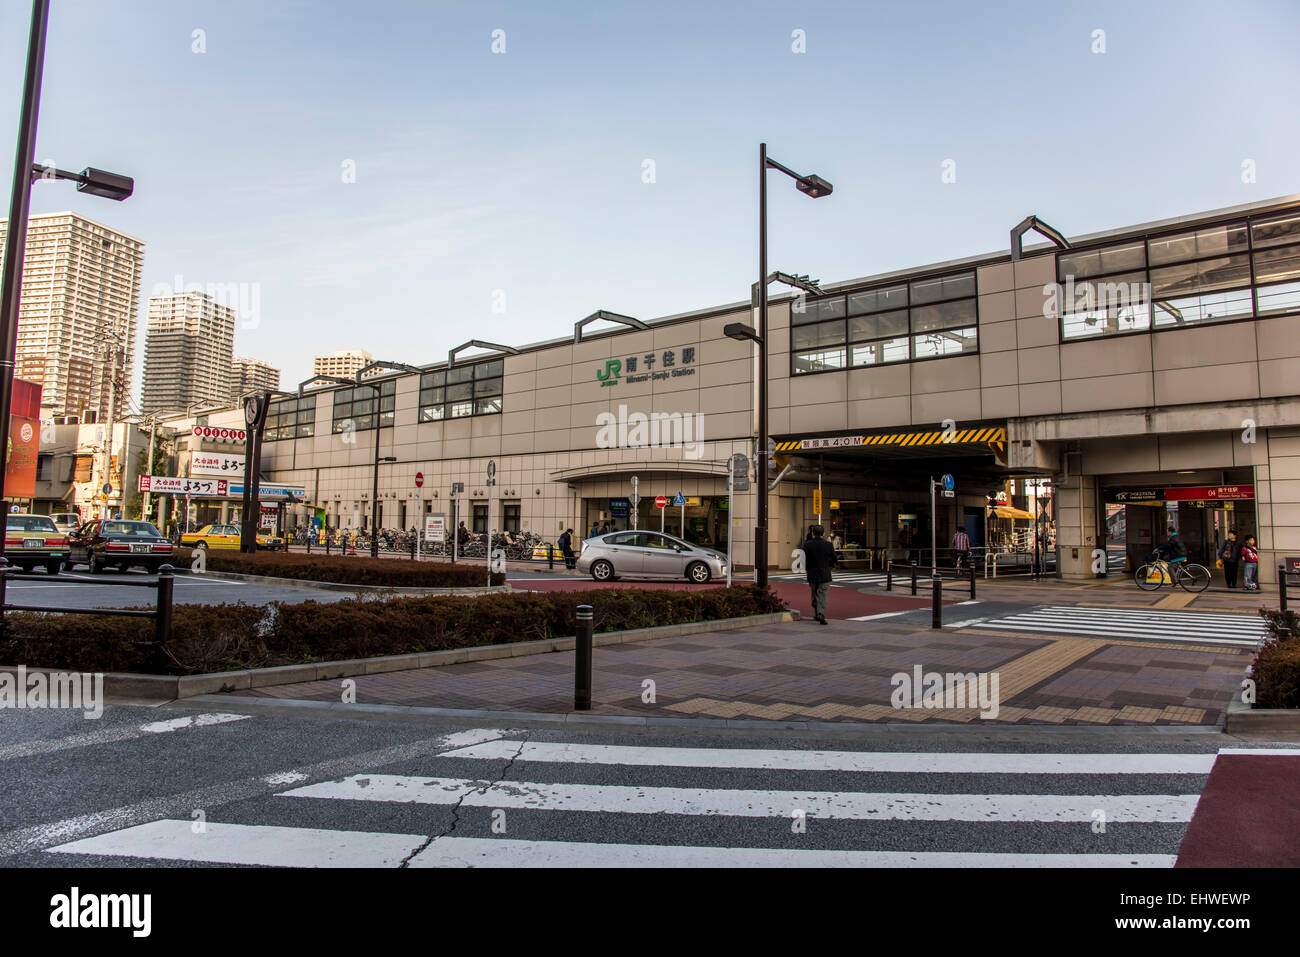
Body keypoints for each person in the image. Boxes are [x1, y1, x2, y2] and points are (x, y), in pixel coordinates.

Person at [802, 524, 837, 625]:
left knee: (814, 594)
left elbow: (804, 559)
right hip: (825, 573)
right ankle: (821, 613)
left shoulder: (807, 545)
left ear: (813, 533)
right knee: (823, 594)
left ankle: (816, 612)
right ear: (823, 533)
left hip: (812, 573)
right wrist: (829, 565)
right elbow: (834, 559)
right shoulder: (828, 545)